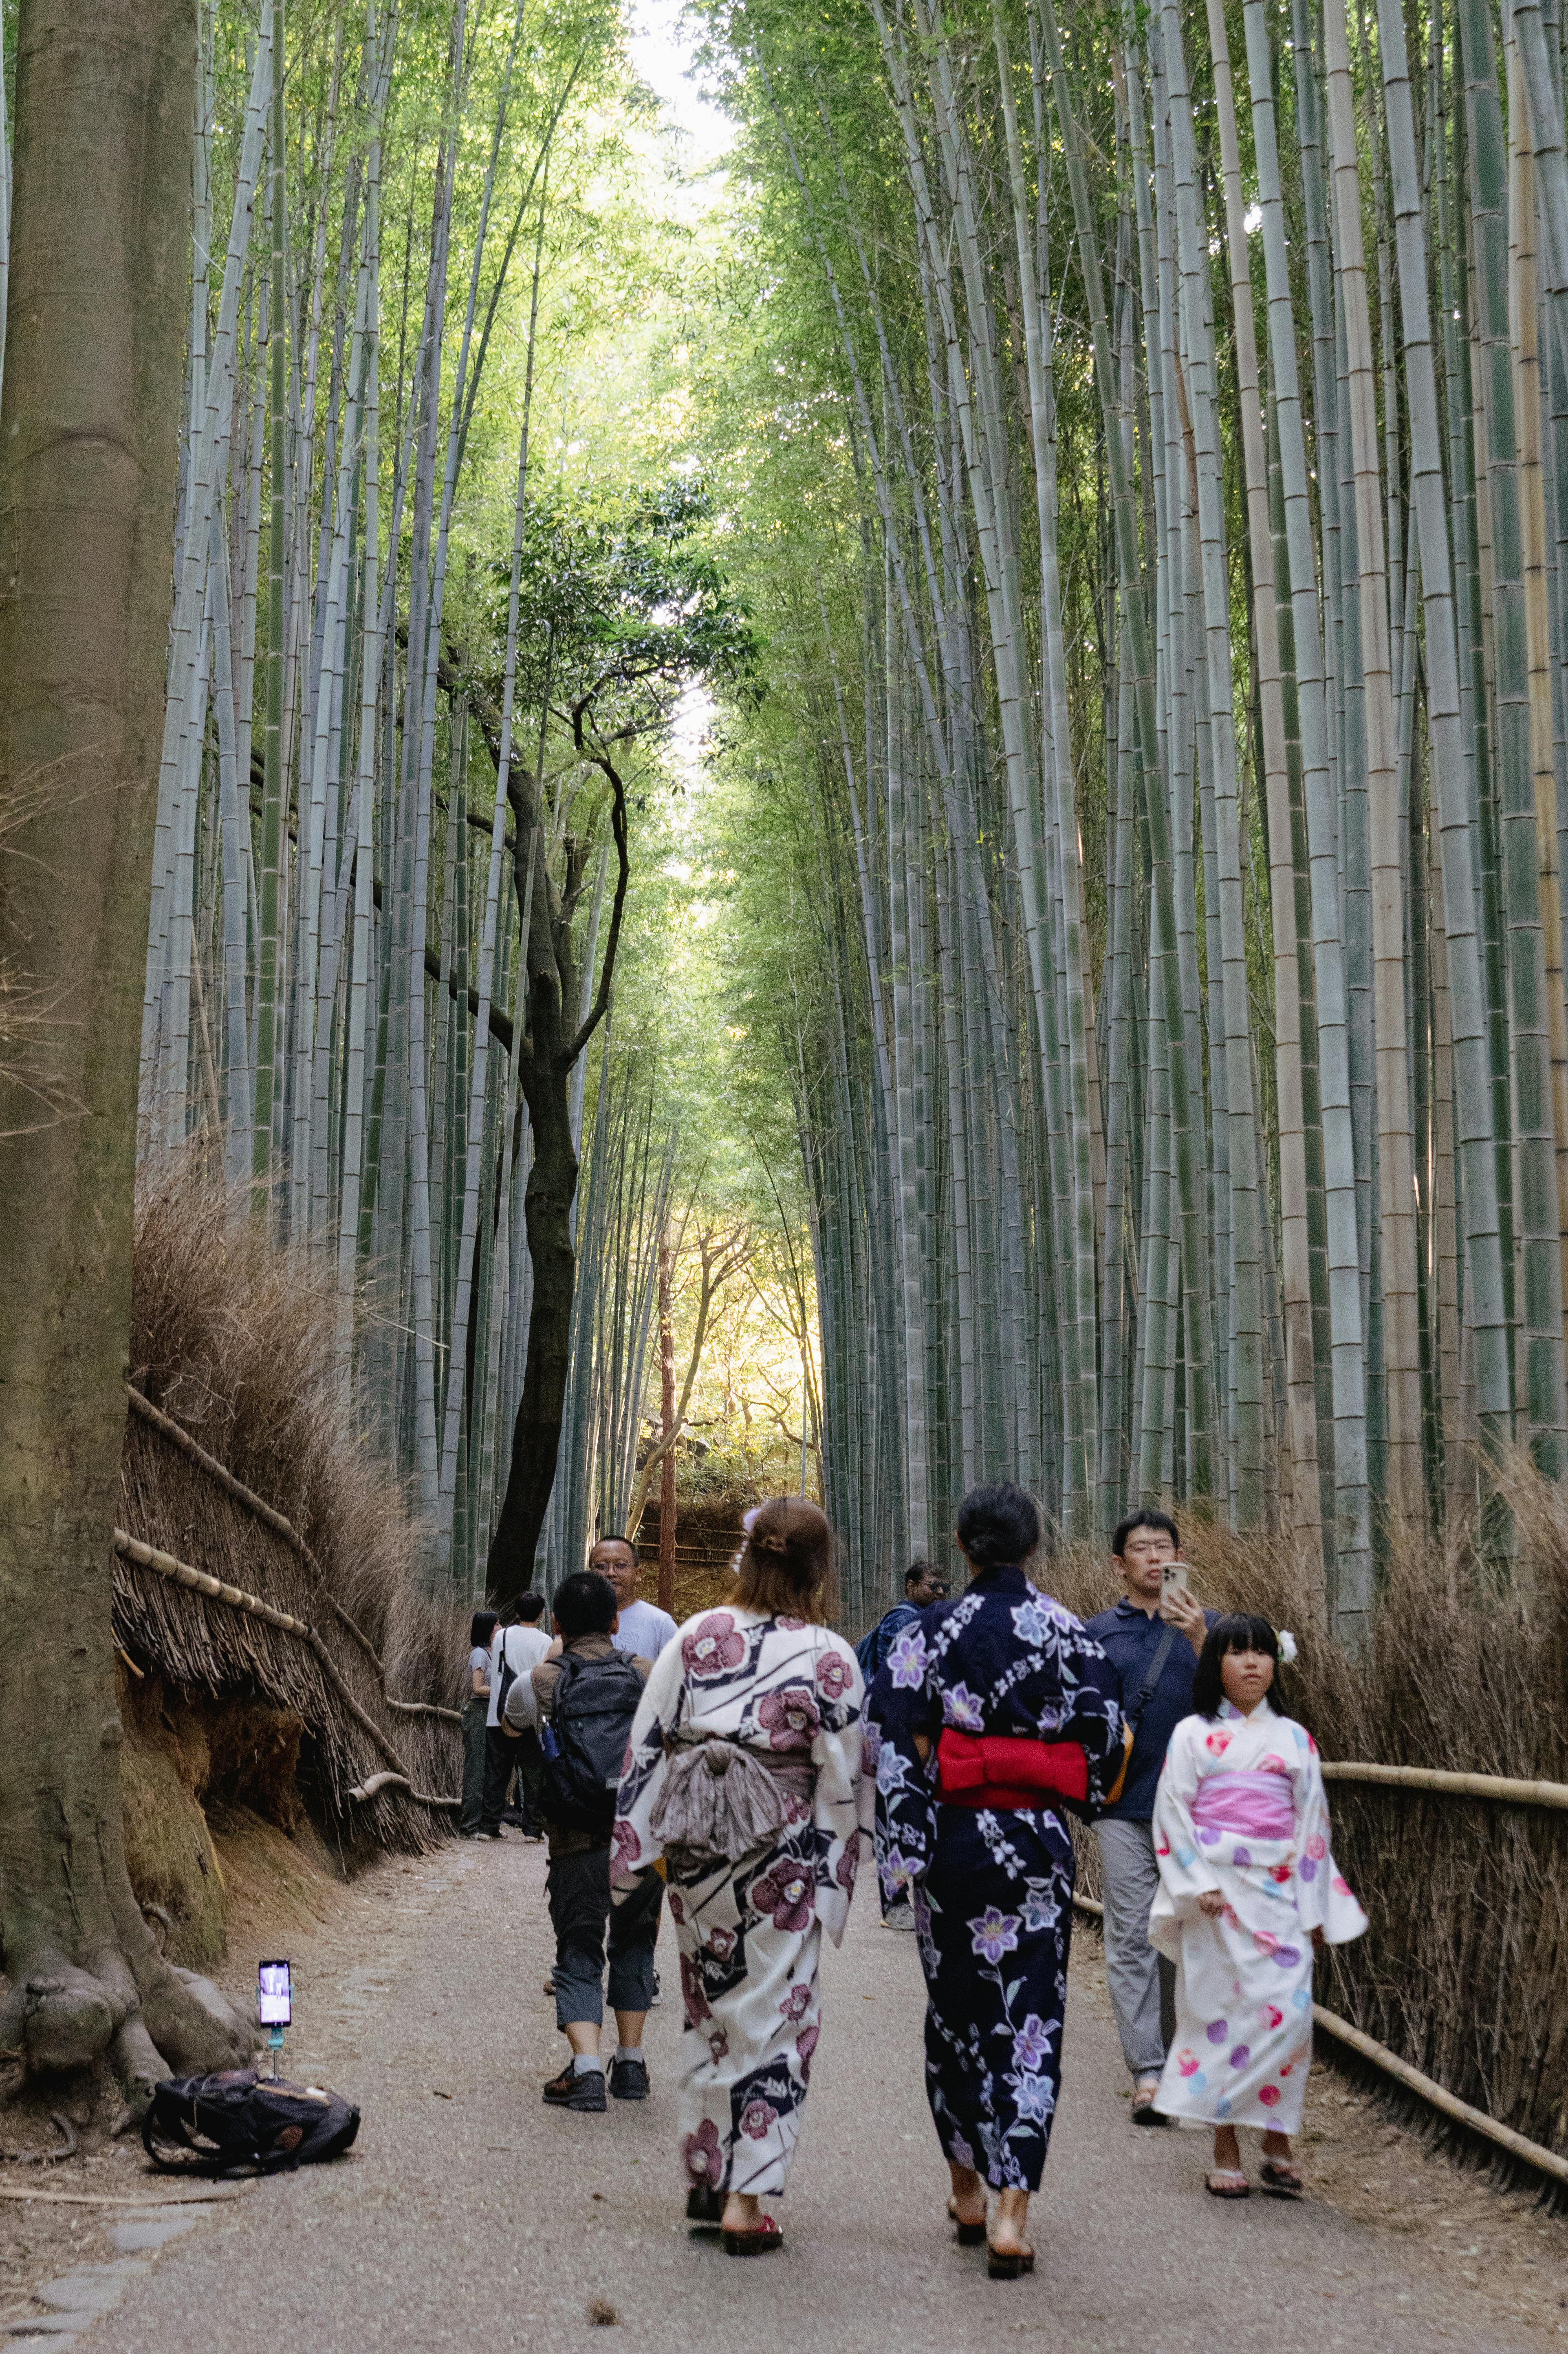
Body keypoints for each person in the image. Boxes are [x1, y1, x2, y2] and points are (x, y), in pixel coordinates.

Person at [870, 1480, 1126, 2281]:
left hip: (949, 1842)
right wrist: (1059, 1783)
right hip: (1034, 1845)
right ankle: (1014, 2215)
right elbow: (1106, 1740)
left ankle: (966, 2193)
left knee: (955, 2015)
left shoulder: (924, 1630)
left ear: (960, 1544)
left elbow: (895, 1741)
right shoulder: (1065, 1630)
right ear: (1033, 1546)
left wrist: (901, 1855)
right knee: (1030, 2019)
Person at [612, 1496, 864, 2257]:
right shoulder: (829, 1655)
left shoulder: (695, 1636)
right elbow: (846, 1778)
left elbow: (646, 1743)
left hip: (699, 1850)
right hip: (781, 1851)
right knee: (778, 2019)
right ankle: (745, 2203)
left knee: (708, 2009)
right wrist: (835, 1881)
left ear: (748, 1556)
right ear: (818, 1568)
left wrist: (636, 1854)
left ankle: (705, 2173)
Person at [1149, 1615, 1367, 2197]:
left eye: (1263, 1653)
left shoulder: (1295, 1739)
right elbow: (1173, 1813)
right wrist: (1197, 1884)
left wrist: (1315, 1905)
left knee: (1289, 2019)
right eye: (1238, 1652)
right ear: (1214, 1663)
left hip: (1280, 1894)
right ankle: (1225, 2144)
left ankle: (1277, 2139)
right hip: (1218, 1894)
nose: (1251, 1664)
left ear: (1277, 1664)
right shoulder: (1191, 1735)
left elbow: (1312, 1824)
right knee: (1218, 2013)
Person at [503, 1570, 662, 2112]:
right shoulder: (648, 1675)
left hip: (575, 1840)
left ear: (558, 1624)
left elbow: (510, 1727)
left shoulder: (539, 1681)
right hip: (640, 1843)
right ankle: (633, 2066)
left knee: (579, 1949)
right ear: (617, 1621)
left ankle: (588, 2070)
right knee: (635, 1945)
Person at [1083, 1510, 1215, 2122]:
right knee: (1133, 1935)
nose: (1154, 1559)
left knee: (1187, 1936)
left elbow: (1248, 1705)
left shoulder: (1214, 1629)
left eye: (1164, 1548)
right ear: (1120, 1564)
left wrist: (1200, 1641)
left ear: (1181, 1555)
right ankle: (1149, 2072)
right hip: (1123, 1806)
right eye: (1141, 1549)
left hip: (1199, 1813)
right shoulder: (1098, 1633)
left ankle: (1185, 2057)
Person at [477, 1594, 551, 1840]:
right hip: (530, 1717)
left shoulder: (501, 1636)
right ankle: (532, 1830)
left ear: (517, 1613)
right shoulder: (545, 1641)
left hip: (498, 1715)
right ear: (541, 1614)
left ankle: (488, 1827)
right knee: (533, 1775)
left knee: (497, 1772)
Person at [855, 1560, 950, 1682]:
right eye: (933, 1586)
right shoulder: (903, 1620)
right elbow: (895, 1675)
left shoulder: (927, 1619)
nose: (941, 1592)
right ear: (912, 1587)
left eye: (945, 1587)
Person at [592, 1534, 678, 1662]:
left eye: (620, 1565)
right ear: (590, 1573)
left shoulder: (660, 1624)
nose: (610, 1573)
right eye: (601, 1566)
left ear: (638, 1574)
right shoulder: (576, 1620)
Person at [459, 1609, 498, 1838]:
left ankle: (486, 1824)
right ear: (488, 1628)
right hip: (478, 1712)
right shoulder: (479, 1654)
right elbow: (477, 1688)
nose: (500, 1627)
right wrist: (502, 1691)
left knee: (491, 1768)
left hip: (491, 1712)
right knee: (476, 1768)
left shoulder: (495, 1652)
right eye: (496, 1624)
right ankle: (470, 1825)